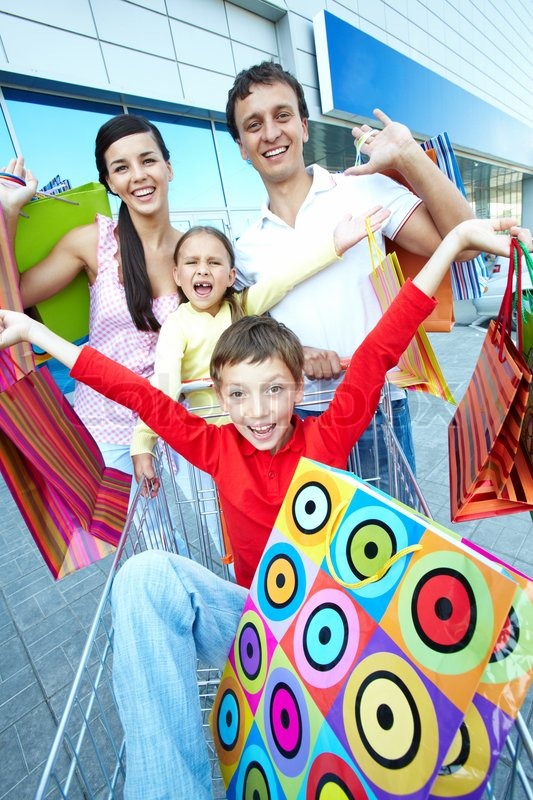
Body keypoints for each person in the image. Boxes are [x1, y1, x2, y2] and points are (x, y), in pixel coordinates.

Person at [0, 217, 528, 799]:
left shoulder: (325, 440)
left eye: (275, 389)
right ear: (220, 397)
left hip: (338, 640)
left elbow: (382, 345)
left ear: (299, 390)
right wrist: (35, 331)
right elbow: (135, 391)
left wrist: (453, 242)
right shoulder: (214, 446)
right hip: (255, 631)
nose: (258, 412)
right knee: (144, 575)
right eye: (239, 395)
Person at [226, 61, 477, 484]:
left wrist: (408, 156)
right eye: (254, 124)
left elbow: (464, 246)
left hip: (375, 411)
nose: (270, 133)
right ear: (241, 147)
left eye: (282, 115)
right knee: (316, 549)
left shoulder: (361, 188)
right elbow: (254, 333)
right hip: (295, 423)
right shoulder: (245, 247)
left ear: (304, 126)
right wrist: (297, 353)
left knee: (392, 543)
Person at [130, 207, 390, 491]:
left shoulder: (242, 306)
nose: (203, 269)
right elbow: (165, 383)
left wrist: (335, 244)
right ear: (177, 275)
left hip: (263, 434)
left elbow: (283, 278)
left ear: (231, 277)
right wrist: (143, 439)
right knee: (228, 525)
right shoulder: (176, 325)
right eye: (192, 262)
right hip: (219, 447)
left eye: (214, 262)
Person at [0, 114, 181, 487]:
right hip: (104, 431)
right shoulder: (92, 243)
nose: (138, 175)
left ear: (168, 168)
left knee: (217, 532)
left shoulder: (197, 252)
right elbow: (10, 296)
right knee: (134, 542)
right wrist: (10, 211)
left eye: (148, 160)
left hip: (175, 421)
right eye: (121, 167)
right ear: (111, 183)